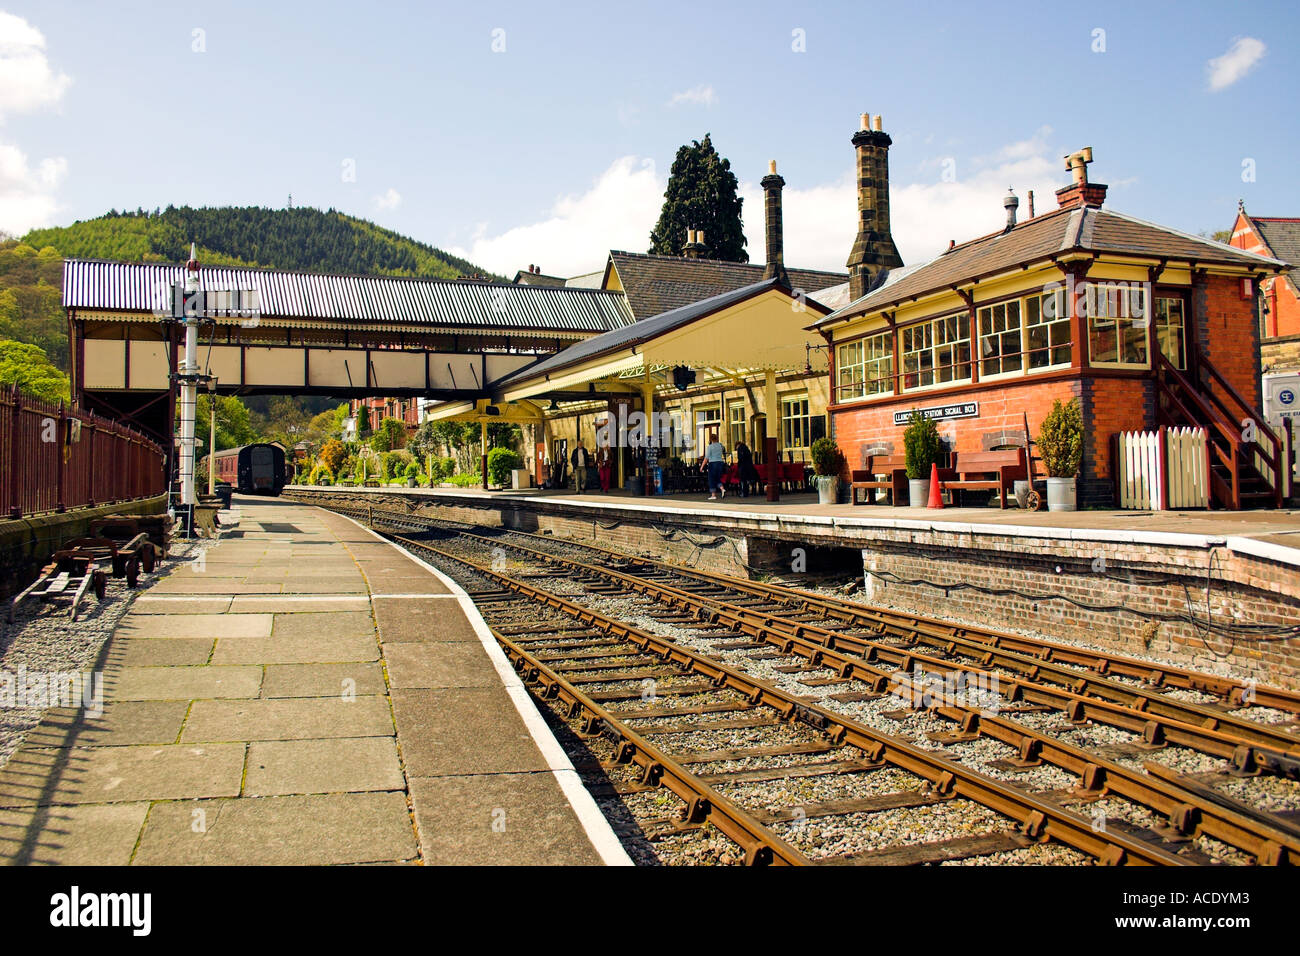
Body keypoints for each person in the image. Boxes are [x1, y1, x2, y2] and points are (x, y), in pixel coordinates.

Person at [703, 432, 727, 500]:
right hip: (720, 463)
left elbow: (706, 458)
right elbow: (723, 450)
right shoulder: (720, 446)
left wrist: (702, 467)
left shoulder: (710, 447)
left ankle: (713, 495)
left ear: (710, 439)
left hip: (712, 463)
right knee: (717, 478)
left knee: (711, 479)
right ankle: (722, 488)